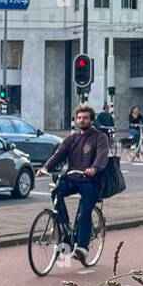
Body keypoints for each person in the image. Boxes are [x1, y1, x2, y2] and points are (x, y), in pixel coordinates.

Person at [42, 104, 110, 265]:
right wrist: (45, 167)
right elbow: (59, 154)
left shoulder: (100, 138)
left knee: (84, 213)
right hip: (73, 178)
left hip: (90, 182)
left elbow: (102, 155)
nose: (82, 120)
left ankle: (82, 247)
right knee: (56, 192)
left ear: (92, 120)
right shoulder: (72, 139)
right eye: (79, 118)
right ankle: (65, 227)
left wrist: (94, 168)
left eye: (85, 118)